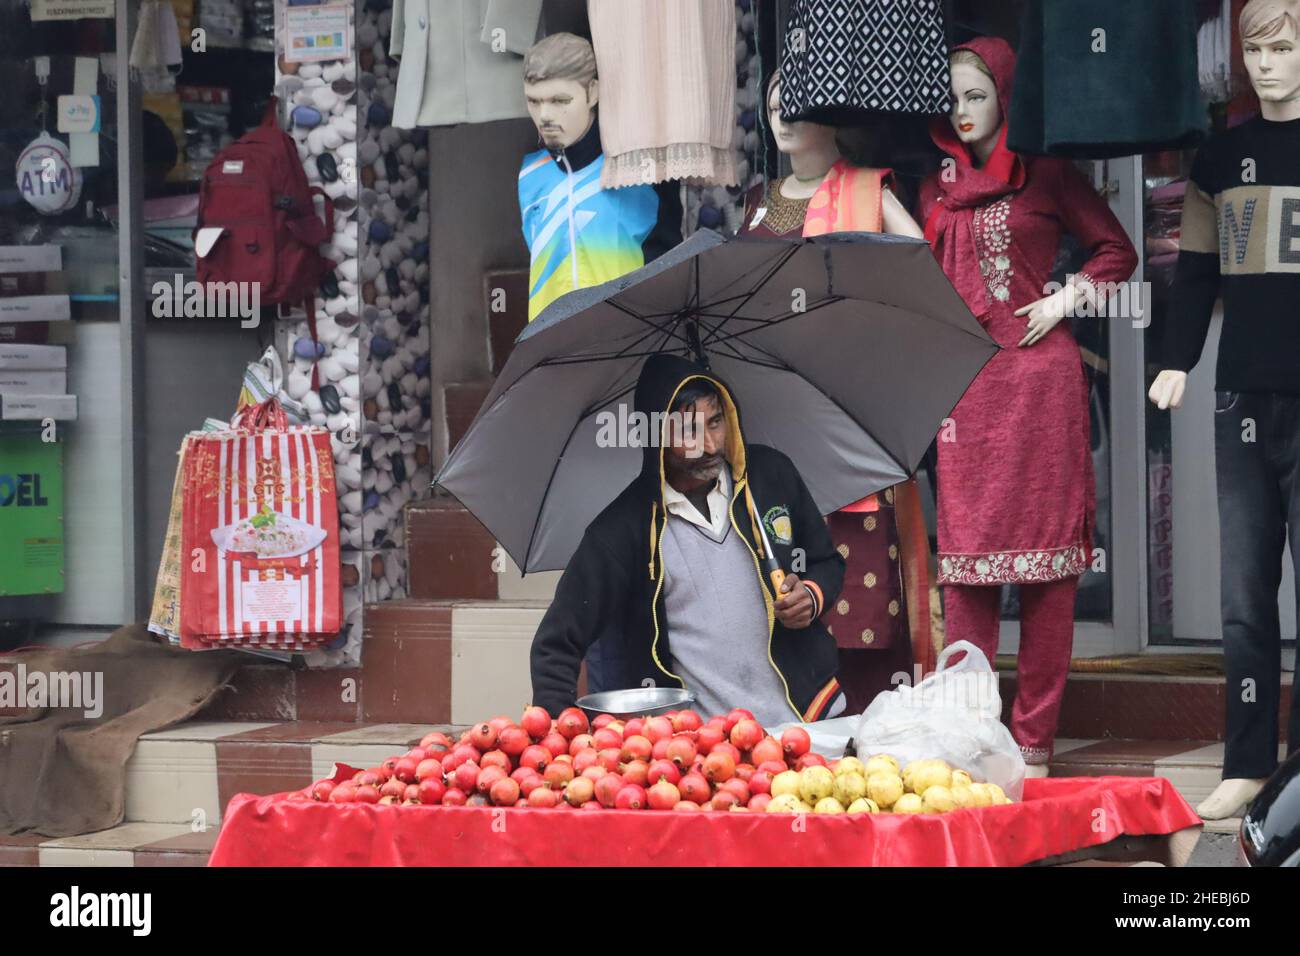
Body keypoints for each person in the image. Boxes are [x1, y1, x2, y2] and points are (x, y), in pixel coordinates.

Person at [916, 38, 1138, 775]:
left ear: (1005, 98)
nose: (963, 111)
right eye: (952, 99)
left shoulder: (1045, 172)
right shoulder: (933, 186)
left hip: (1042, 384)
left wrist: (1071, 294)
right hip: (966, 390)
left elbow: (1117, 251)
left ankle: (1035, 742)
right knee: (969, 570)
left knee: (1047, 576)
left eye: (976, 97)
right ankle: (970, 737)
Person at [740, 70, 936, 714]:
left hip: (848, 402)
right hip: (776, 405)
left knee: (861, 570)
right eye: (773, 105)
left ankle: (870, 717)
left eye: (796, 103)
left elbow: (917, 262)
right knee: (781, 549)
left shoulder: (864, 188)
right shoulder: (759, 203)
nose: (783, 117)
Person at [1149, 0, 1300, 819]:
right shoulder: (1220, 157)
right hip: (1242, 396)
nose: (1268, 62)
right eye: (1256, 47)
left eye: (1283, 46)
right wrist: (1177, 360)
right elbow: (1198, 271)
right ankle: (1246, 761)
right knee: (1245, 599)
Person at [530, 353, 846, 726]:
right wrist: (558, 736)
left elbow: (826, 562)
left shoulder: (771, 476)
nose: (711, 445)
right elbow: (556, 644)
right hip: (707, 750)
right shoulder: (622, 530)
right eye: (689, 432)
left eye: (716, 423)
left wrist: (809, 595)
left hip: (811, 719)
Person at [517, 32, 682, 321]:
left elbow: (668, 268)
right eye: (534, 101)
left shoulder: (637, 169)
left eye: (559, 100)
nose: (544, 115)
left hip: (630, 340)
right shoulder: (530, 175)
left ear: (593, 93)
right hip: (552, 348)